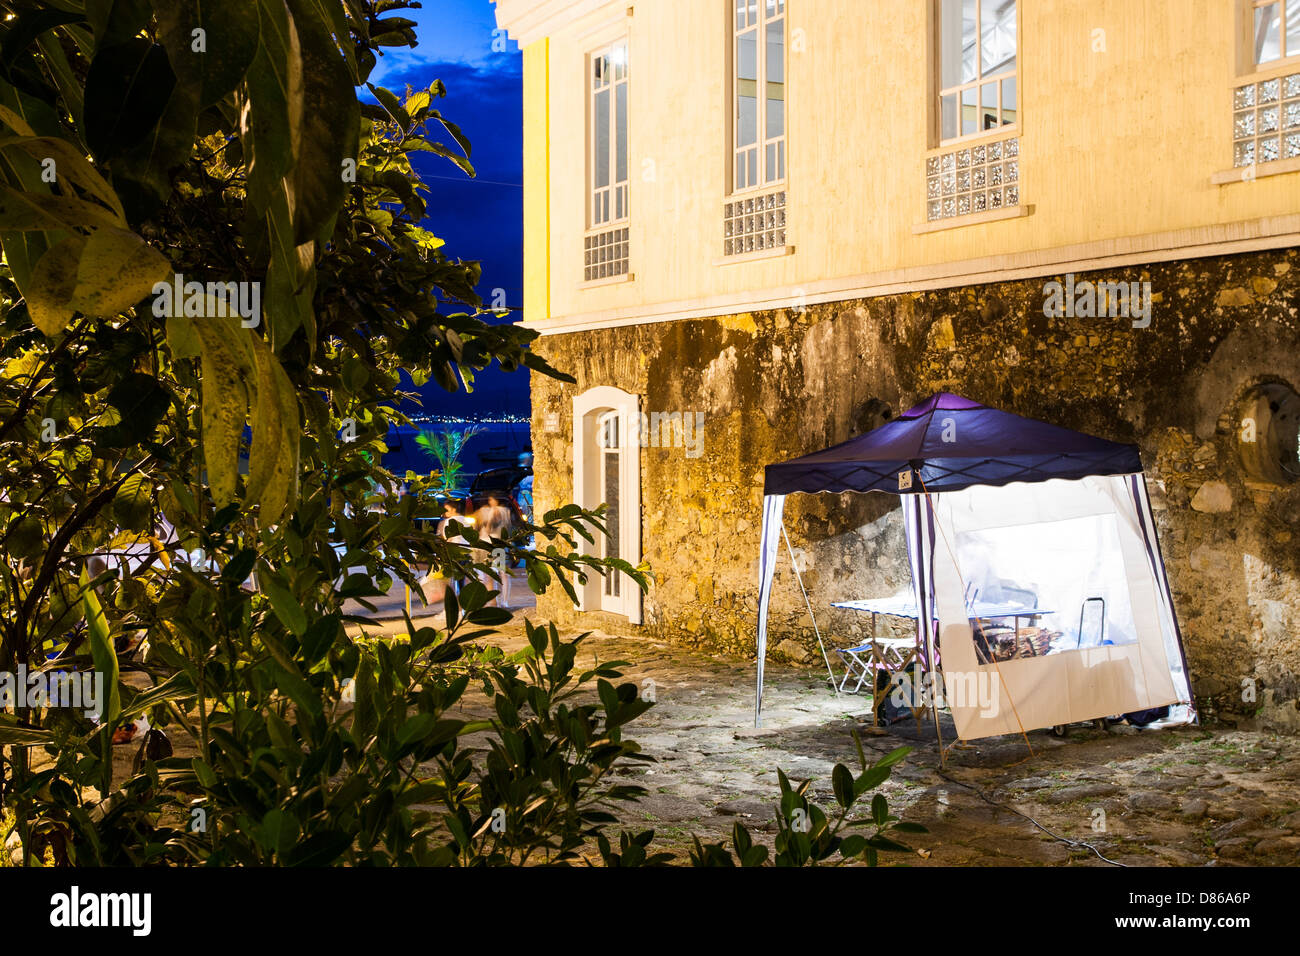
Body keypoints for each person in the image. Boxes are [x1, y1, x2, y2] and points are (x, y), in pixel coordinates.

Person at [474, 494, 514, 606]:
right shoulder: (505, 511)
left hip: (492, 544)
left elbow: (488, 529)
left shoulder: (496, 511)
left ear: (496, 500)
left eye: (491, 499)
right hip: (498, 544)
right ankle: (502, 601)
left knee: (495, 573)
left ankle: (496, 601)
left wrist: (486, 521)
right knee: (500, 573)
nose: (489, 501)